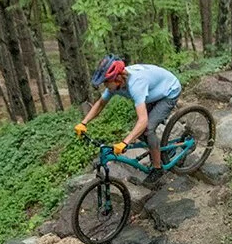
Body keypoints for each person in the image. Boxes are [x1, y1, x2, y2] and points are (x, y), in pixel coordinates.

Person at [74, 55, 182, 189]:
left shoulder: (136, 84)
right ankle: (159, 152)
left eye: (106, 82)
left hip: (169, 91)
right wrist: (83, 123)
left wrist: (125, 142)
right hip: (153, 92)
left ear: (118, 78)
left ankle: (158, 168)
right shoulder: (116, 84)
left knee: (147, 129)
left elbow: (143, 121)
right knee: (141, 133)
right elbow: (101, 104)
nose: (105, 86)